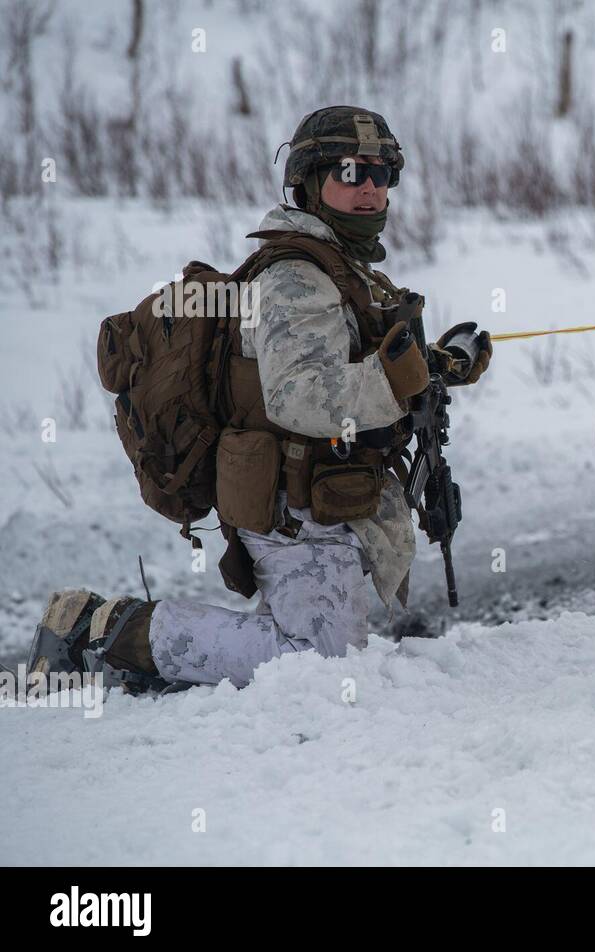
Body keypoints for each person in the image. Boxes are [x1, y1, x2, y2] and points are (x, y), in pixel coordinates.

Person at [29, 106, 491, 691]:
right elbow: (301, 397)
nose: (370, 187)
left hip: (328, 492)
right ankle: (101, 630)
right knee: (319, 664)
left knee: (324, 649)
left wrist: (438, 367)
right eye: (351, 172)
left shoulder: (342, 266)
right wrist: (403, 380)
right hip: (291, 502)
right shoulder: (295, 275)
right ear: (310, 179)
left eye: (383, 173)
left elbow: (360, 361)